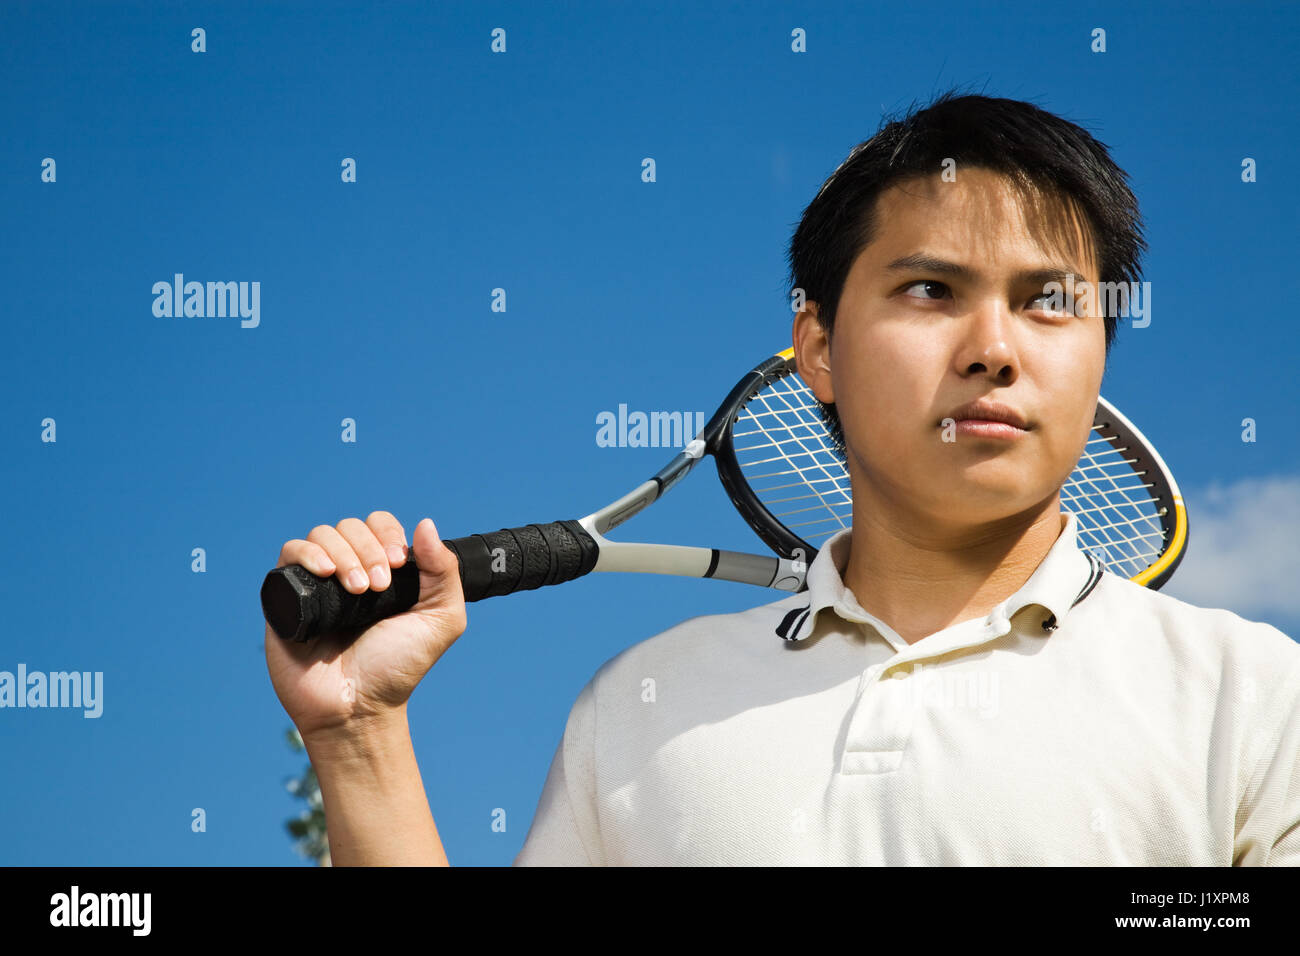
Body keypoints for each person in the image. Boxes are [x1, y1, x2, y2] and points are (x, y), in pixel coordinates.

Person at [263, 91, 1300, 865]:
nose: (994, 346)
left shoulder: (1255, 701)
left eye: (1049, 303)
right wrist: (358, 739)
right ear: (817, 345)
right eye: (932, 288)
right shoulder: (635, 709)